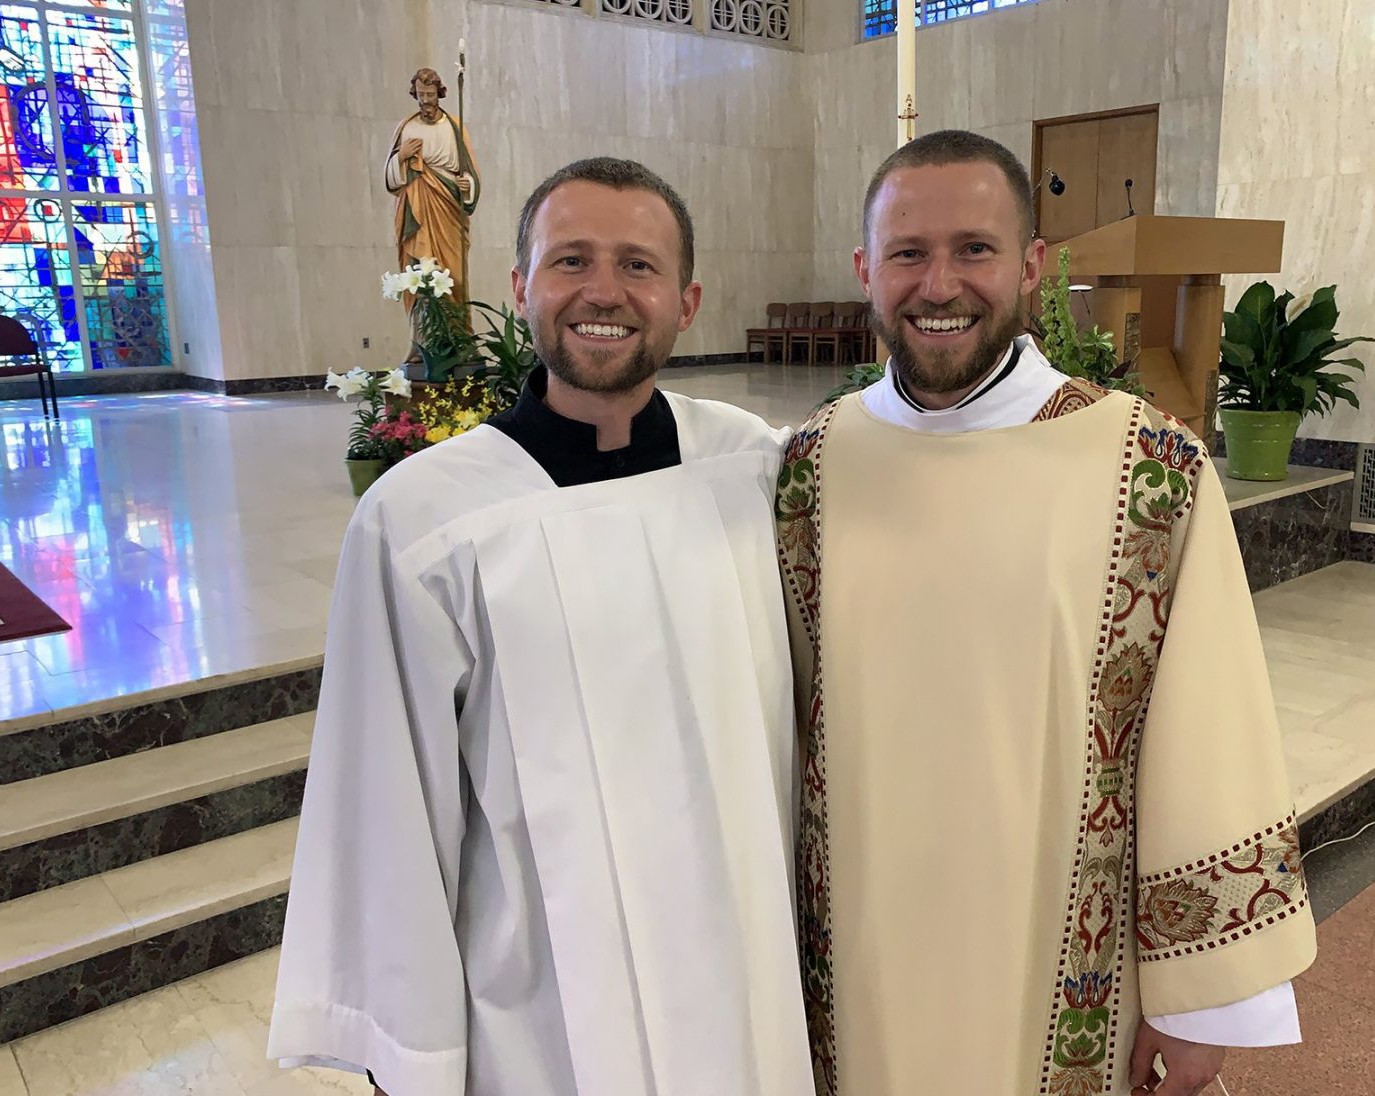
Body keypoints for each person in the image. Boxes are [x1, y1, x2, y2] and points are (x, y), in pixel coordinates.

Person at [776, 130, 1317, 1096]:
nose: (939, 284)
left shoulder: (1150, 473)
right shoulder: (806, 471)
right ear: (866, 271)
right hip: (855, 968)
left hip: (1063, 981)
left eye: (974, 249)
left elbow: (1212, 737)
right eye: (908, 253)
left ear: (1030, 267)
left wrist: (1204, 1004)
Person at [271, 157, 815, 1096]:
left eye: (638, 265)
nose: (604, 291)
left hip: (747, 983)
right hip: (544, 1019)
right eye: (571, 260)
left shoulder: (753, 467)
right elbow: (387, 803)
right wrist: (410, 1053)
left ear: (687, 302)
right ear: (522, 287)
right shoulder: (423, 518)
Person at [384, 67, 480, 314]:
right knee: (421, 271)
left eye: (430, 94)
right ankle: (423, 332)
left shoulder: (454, 127)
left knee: (455, 277)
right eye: (420, 95)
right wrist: (401, 157)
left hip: (448, 208)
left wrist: (467, 184)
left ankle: (457, 332)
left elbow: (469, 170)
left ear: (439, 93)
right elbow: (392, 181)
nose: (425, 100)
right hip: (417, 210)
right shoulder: (406, 127)